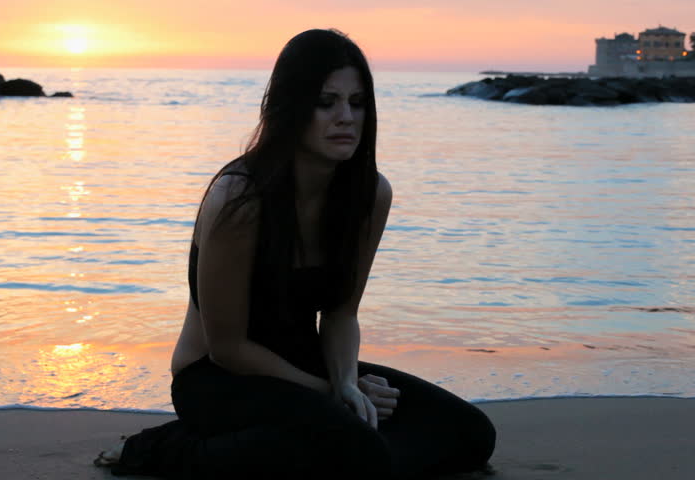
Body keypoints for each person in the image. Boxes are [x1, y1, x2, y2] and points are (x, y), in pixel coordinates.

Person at [95, 28, 495, 479]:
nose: (346, 117)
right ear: (290, 108)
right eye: (326, 103)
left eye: (357, 102)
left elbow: (342, 315)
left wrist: (347, 383)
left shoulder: (369, 195)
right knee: (362, 451)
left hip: (307, 371)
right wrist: (332, 393)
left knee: (470, 434)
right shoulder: (240, 200)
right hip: (217, 379)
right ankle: (164, 447)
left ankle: (309, 454)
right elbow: (228, 348)